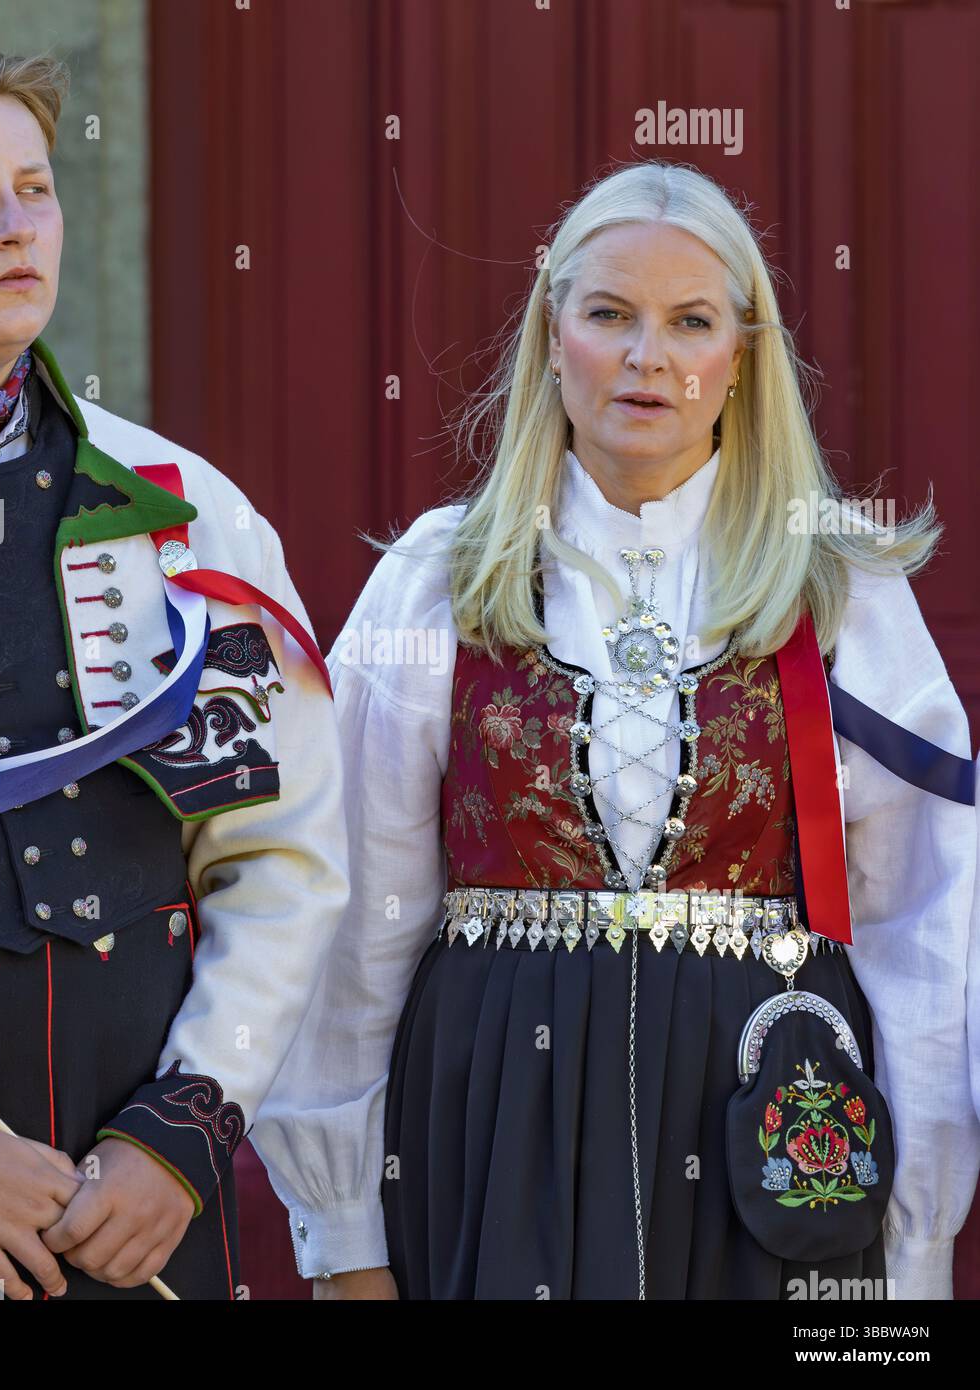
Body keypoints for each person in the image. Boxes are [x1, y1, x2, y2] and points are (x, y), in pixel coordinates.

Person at [249, 161, 980, 1300]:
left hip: (769, 1125)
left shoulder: (833, 581)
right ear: (553, 335)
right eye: (608, 315)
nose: (646, 357)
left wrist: (916, 1230)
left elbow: (921, 918)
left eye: (689, 321)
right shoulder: (438, 578)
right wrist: (343, 1230)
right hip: (497, 1117)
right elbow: (354, 913)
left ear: (738, 357)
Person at [0, 34, 348, 1300]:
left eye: (35, 188)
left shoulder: (191, 515)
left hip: (137, 1218)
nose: (14, 226)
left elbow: (290, 858)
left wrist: (181, 1137)